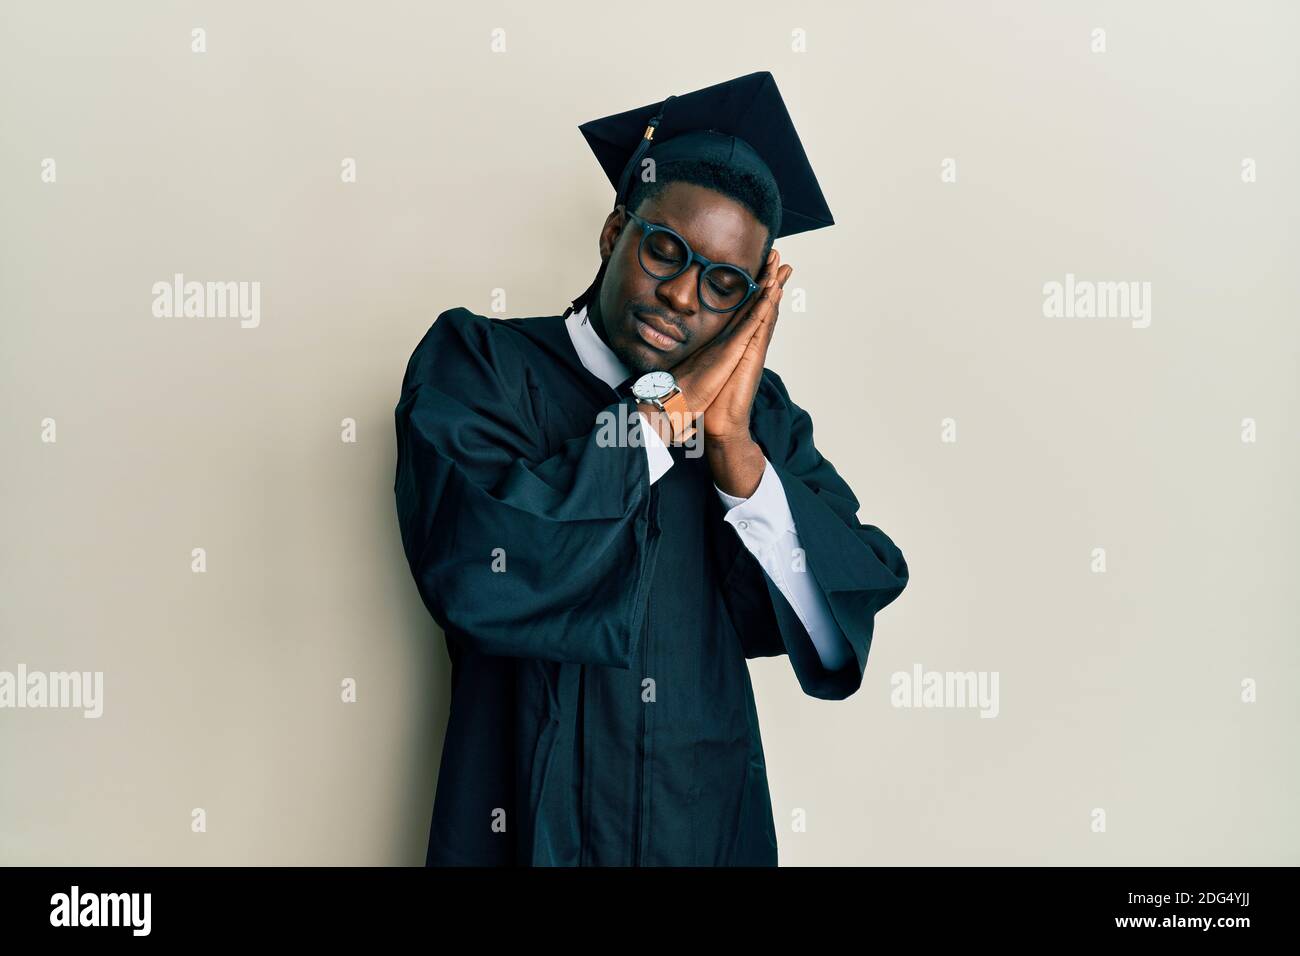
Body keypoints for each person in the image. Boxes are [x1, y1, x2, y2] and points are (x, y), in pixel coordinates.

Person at [393, 71, 908, 866]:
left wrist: (734, 452)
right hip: (525, 824)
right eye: (666, 250)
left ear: (748, 303)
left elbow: (844, 603)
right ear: (613, 235)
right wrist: (664, 421)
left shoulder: (757, 414)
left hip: (699, 824)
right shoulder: (481, 364)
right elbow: (476, 572)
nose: (681, 296)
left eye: (724, 283)